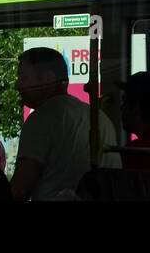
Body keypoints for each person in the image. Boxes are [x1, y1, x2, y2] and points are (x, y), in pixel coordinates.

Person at [10, 47, 119, 200]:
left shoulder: (41, 119)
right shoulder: (101, 118)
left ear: (48, 79)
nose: (17, 86)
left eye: (23, 78)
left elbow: (19, 190)